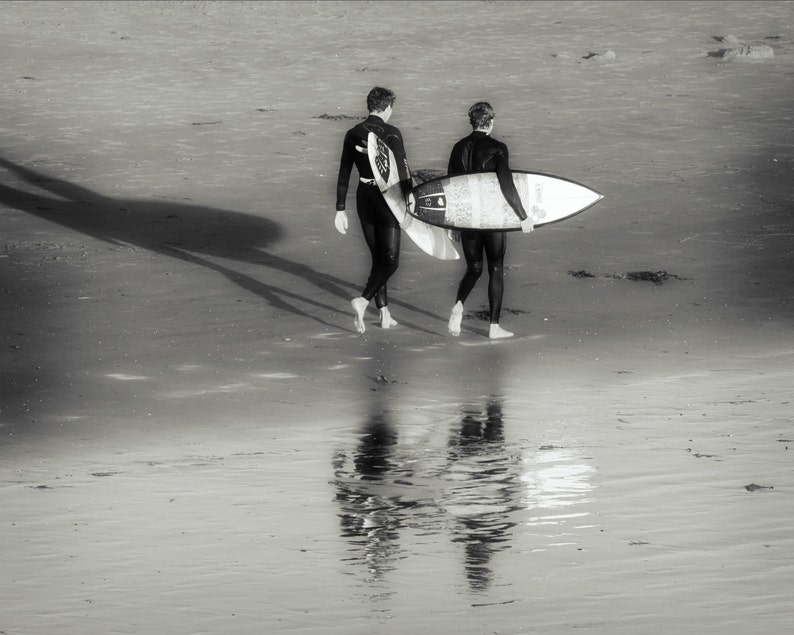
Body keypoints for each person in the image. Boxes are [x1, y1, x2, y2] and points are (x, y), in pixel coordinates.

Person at [446, 101, 539, 339]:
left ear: (472, 122)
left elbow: (451, 187)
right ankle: (494, 327)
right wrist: (523, 216)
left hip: (467, 218)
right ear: (490, 122)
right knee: (495, 268)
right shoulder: (497, 147)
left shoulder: (457, 148)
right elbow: (506, 184)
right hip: (492, 217)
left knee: (474, 268)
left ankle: (459, 304)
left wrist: (453, 222)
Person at [334, 86, 412, 334]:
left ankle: (384, 314)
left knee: (378, 258)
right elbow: (403, 174)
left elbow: (344, 173)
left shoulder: (352, 133)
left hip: (363, 198)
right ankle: (363, 299)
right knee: (390, 261)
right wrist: (410, 203)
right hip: (387, 199)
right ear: (388, 107)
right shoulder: (391, 133)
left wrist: (340, 209)